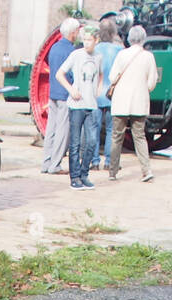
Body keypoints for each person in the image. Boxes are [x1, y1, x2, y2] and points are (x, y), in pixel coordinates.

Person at [107, 24, 160, 182]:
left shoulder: (122, 55)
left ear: (129, 39)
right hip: (139, 101)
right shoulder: (148, 57)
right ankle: (146, 170)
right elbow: (152, 82)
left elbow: (112, 77)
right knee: (140, 136)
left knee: (117, 137)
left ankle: (112, 171)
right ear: (143, 39)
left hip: (121, 101)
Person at [55, 27, 102, 190]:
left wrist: (98, 90)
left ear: (97, 41)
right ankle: (74, 177)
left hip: (91, 104)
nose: (87, 43)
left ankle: (84, 174)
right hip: (76, 105)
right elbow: (59, 74)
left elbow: (100, 74)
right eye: (85, 39)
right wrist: (71, 89)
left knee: (91, 141)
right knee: (75, 143)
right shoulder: (76, 55)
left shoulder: (98, 57)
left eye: (90, 40)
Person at [40, 18, 81, 174]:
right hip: (65, 94)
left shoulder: (54, 48)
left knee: (51, 129)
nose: (77, 34)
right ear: (72, 33)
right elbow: (71, 74)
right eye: (77, 31)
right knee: (62, 131)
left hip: (53, 93)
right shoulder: (71, 52)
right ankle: (55, 165)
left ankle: (46, 162)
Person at [93, 18, 123, 170]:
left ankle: (94, 160)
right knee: (112, 130)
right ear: (113, 33)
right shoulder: (118, 50)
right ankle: (109, 161)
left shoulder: (94, 49)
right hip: (112, 94)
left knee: (94, 128)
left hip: (96, 94)